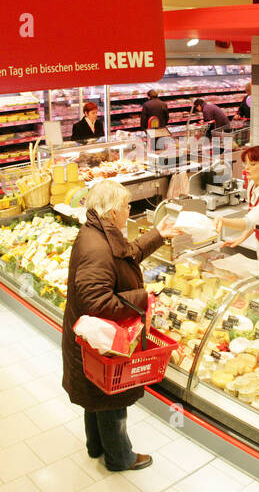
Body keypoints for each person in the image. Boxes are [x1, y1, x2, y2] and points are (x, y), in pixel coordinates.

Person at [62, 180, 178, 472]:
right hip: (103, 338)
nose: (129, 210)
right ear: (113, 211)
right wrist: (143, 296)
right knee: (111, 399)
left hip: (92, 338)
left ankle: (96, 446)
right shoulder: (97, 247)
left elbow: (125, 256)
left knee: (96, 392)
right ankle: (120, 458)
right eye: (127, 206)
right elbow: (95, 301)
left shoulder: (98, 233)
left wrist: (158, 234)